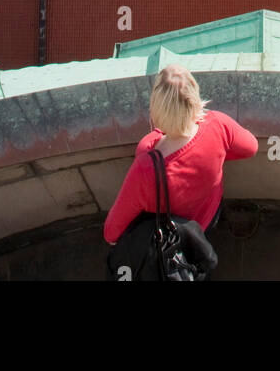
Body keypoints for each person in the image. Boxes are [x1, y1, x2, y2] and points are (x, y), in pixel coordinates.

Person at [104, 65, 257, 247]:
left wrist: (154, 137)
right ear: (194, 99)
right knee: (201, 259)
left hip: (170, 240)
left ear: (157, 109)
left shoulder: (145, 165)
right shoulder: (217, 125)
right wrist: (218, 151)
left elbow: (111, 233)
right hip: (206, 222)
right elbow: (251, 147)